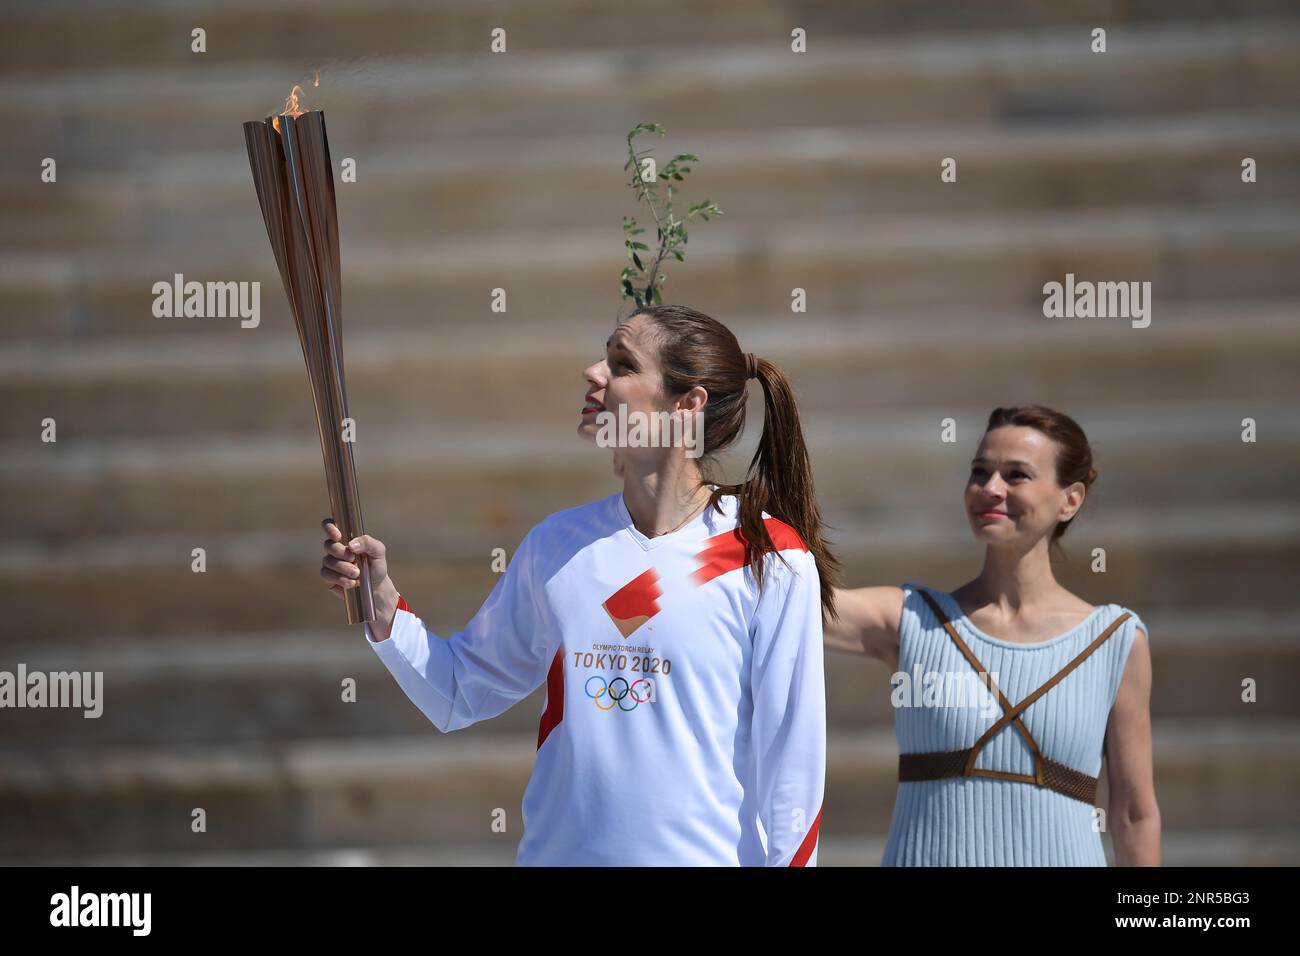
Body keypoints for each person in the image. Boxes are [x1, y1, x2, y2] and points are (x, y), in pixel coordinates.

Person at [321, 305, 840, 866]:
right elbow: (458, 691)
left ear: (687, 405)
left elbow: (793, 776)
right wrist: (384, 609)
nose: (593, 373)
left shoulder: (768, 556)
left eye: (621, 363)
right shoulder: (558, 545)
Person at [825, 405, 1160, 865]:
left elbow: (1133, 815)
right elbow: (794, 606)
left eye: (1016, 475)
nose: (990, 489)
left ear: (1071, 499)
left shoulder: (1115, 640)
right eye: (979, 472)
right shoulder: (913, 619)